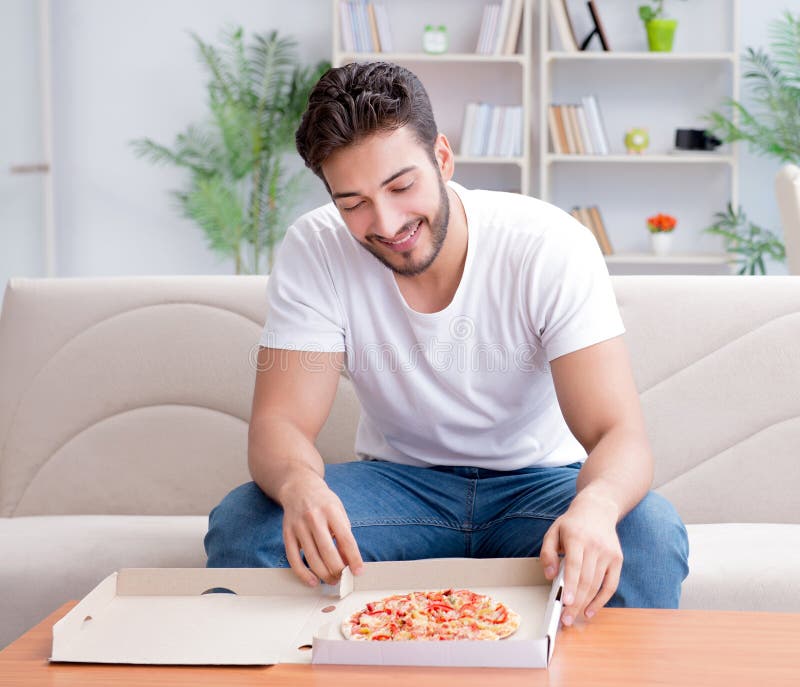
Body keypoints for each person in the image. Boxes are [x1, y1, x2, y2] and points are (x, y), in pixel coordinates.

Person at [204, 61, 689, 627]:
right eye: (353, 202)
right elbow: (279, 424)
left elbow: (619, 434)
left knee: (648, 534)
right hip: (398, 489)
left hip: (539, 488)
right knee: (246, 522)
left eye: (401, 186)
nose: (386, 222)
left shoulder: (547, 245)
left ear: (442, 158)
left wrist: (597, 507)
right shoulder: (315, 249)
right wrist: (299, 485)